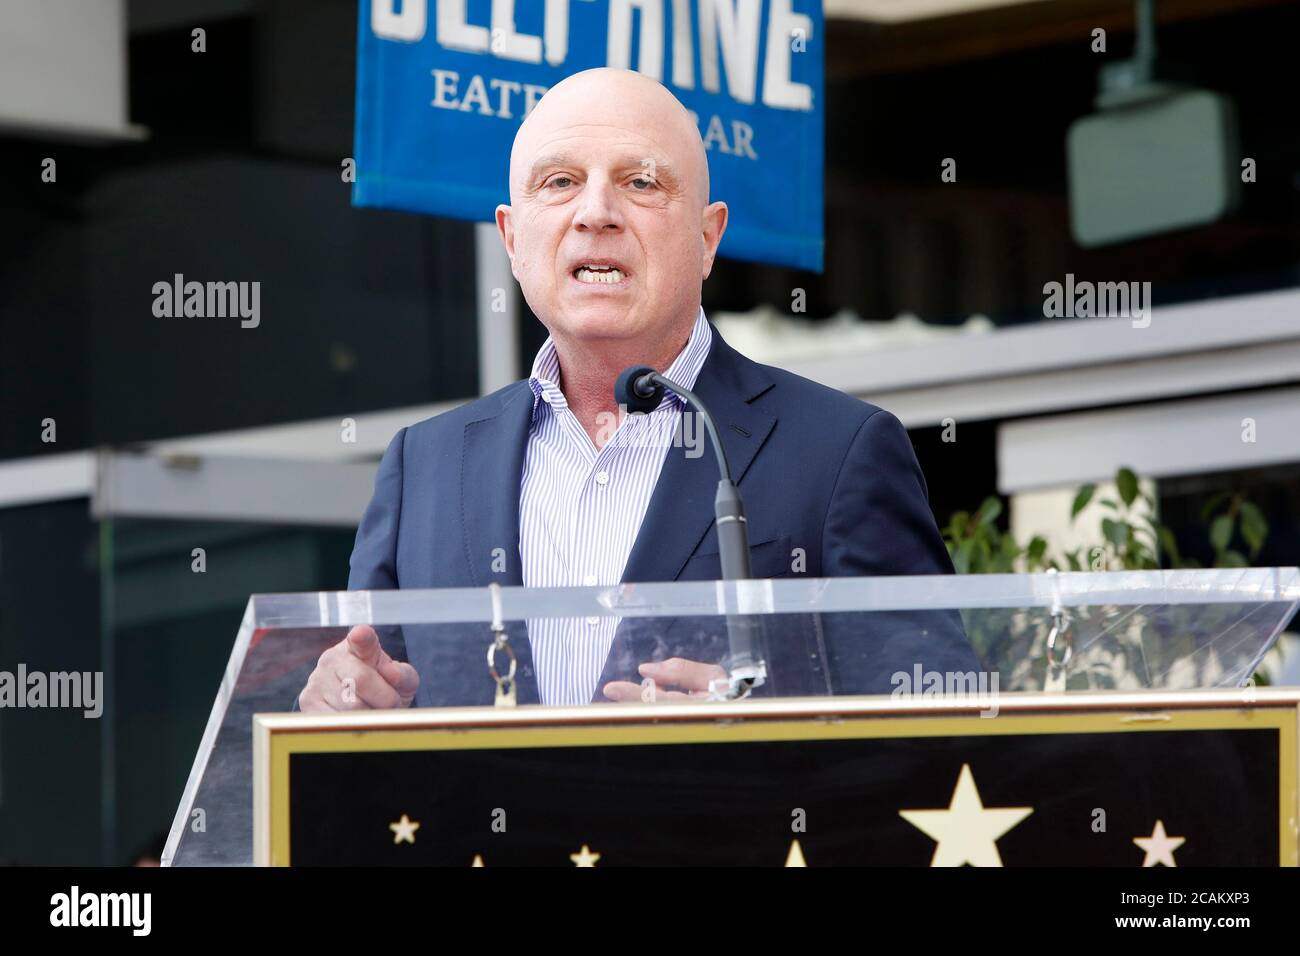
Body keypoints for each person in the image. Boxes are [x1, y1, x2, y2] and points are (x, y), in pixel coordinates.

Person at [296, 67, 974, 713]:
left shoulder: (838, 453)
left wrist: (775, 727)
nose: (597, 212)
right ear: (511, 236)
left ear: (707, 238)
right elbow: (373, 701)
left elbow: (944, 719)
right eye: (560, 182)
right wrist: (339, 701)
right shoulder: (424, 467)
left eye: (642, 183)